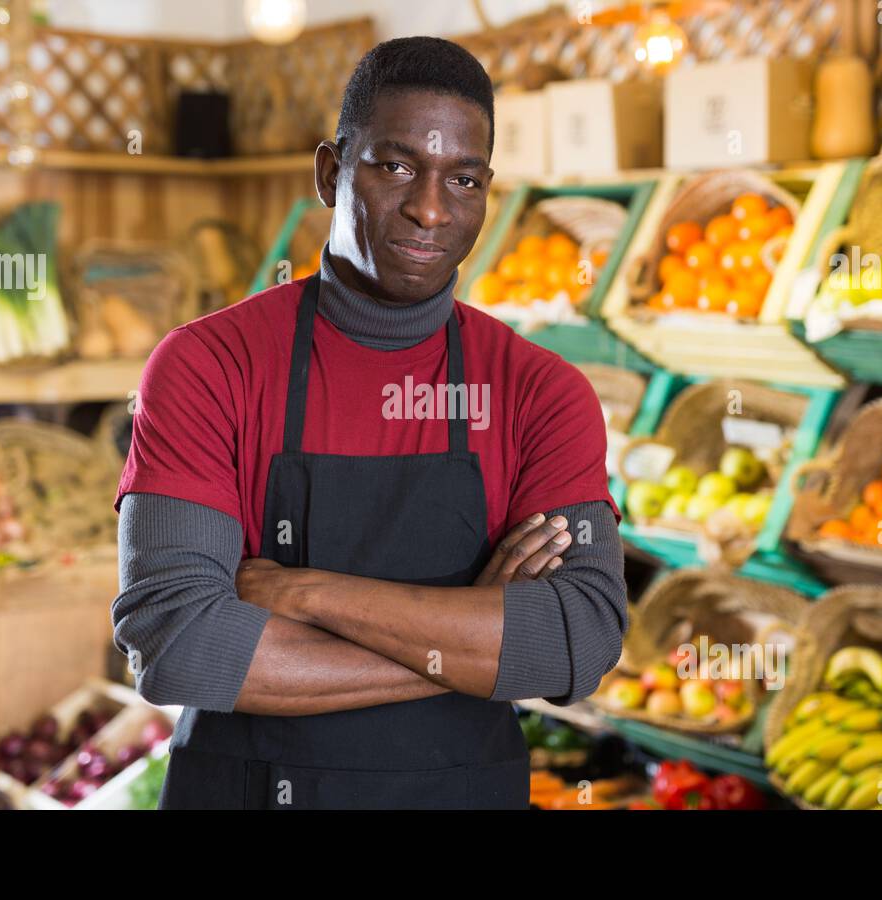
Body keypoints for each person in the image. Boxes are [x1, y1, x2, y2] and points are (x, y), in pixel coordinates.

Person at [113, 36, 627, 810]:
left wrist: (309, 594)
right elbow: (179, 647)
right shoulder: (206, 366)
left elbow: (578, 643)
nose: (430, 208)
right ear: (330, 171)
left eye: (464, 179)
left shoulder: (539, 392)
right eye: (395, 167)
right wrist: (478, 645)